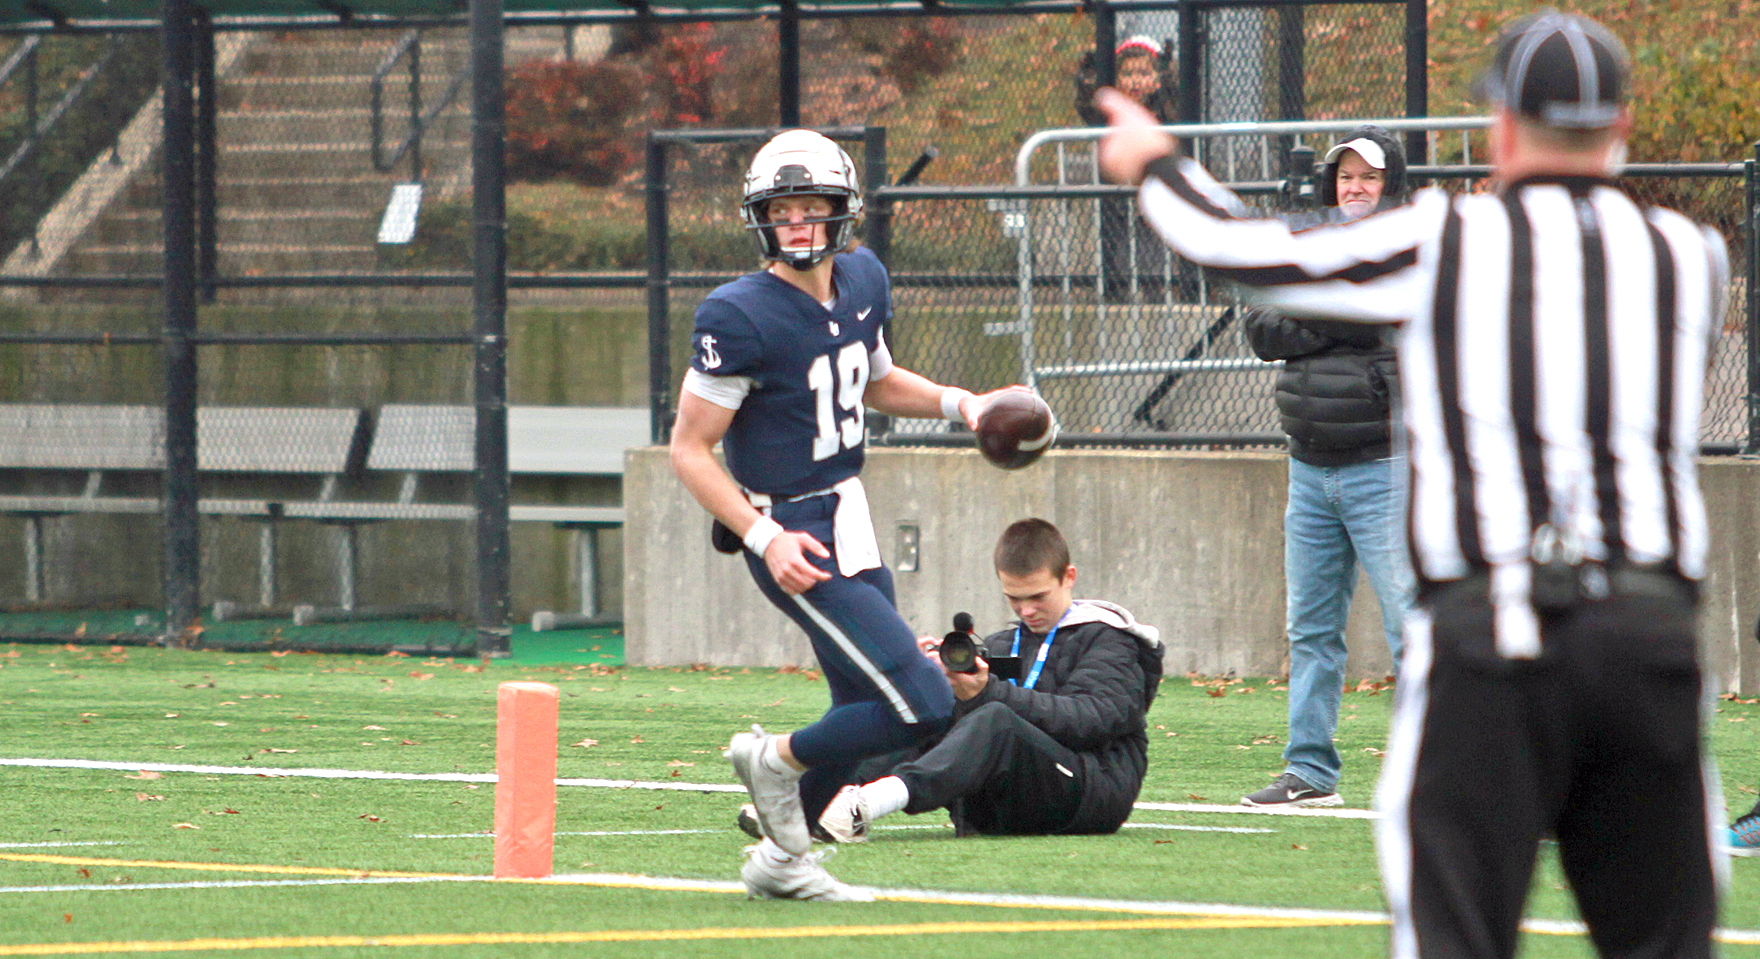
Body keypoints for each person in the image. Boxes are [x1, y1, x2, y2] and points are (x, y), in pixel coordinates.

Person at [1096, 10, 1726, 958]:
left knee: (1452, 935)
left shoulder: (1448, 238)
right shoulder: (1690, 256)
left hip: (1492, 632)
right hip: (1648, 634)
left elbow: (1238, 248)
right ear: (1621, 125)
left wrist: (1152, 159)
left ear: (1500, 126)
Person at [669, 129, 1023, 902]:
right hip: (790, 528)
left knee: (862, 702)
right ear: (760, 219)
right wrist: (764, 536)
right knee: (922, 701)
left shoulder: (863, 279)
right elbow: (691, 448)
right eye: (782, 209)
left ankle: (781, 862)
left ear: (843, 213)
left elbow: (877, 377)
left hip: (848, 514)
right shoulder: (738, 315)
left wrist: (962, 402)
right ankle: (775, 760)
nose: (798, 223)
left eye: (813, 207)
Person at [1240, 125, 1415, 809]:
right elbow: (1259, 327)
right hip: (1309, 470)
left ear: (1389, 184)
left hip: (1384, 468)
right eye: (1346, 176)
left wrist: (1309, 306)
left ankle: (1432, 770)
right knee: (1311, 628)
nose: (1355, 188)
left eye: (1368, 177)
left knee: (1411, 629)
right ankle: (1309, 770)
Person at [810, 518, 1164, 841]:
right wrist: (923, 675)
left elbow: (1093, 719)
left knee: (997, 720)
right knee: (929, 708)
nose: (1026, 611)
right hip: (1000, 800)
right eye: (1014, 598)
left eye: (1038, 597)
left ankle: (863, 806)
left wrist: (988, 692)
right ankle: (810, 802)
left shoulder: (1111, 640)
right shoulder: (1001, 644)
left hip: (1088, 794)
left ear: (1068, 577)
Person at [1075, 36, 1183, 304]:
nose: (1136, 81)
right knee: (1115, 236)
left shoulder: (1161, 105)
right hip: (1117, 187)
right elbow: (1087, 106)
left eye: (1144, 73)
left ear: (1157, 78)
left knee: (1153, 239)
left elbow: (1176, 103)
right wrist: (1089, 75)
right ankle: (1116, 288)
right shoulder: (1112, 109)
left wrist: (1168, 73)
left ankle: (1156, 288)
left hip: (1155, 185)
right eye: (1127, 74)